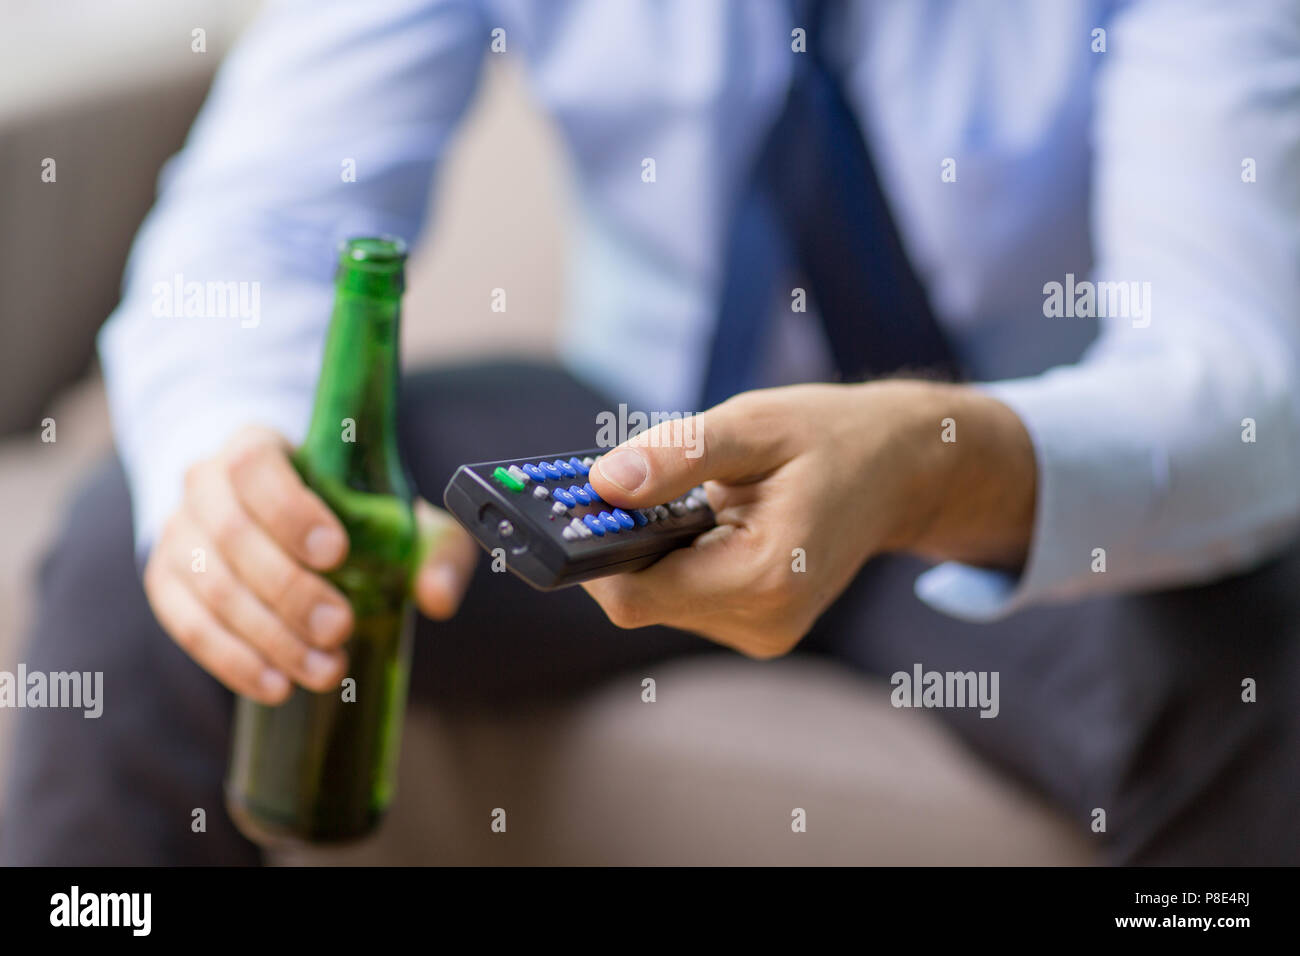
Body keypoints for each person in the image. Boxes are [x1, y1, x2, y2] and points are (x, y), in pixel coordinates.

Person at [4, 0, 1298, 865]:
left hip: (1008, 458)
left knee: (1259, 683)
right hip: (634, 439)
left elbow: (1238, 379)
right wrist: (239, 464)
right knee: (155, 538)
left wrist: (917, 462)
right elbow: (268, 215)